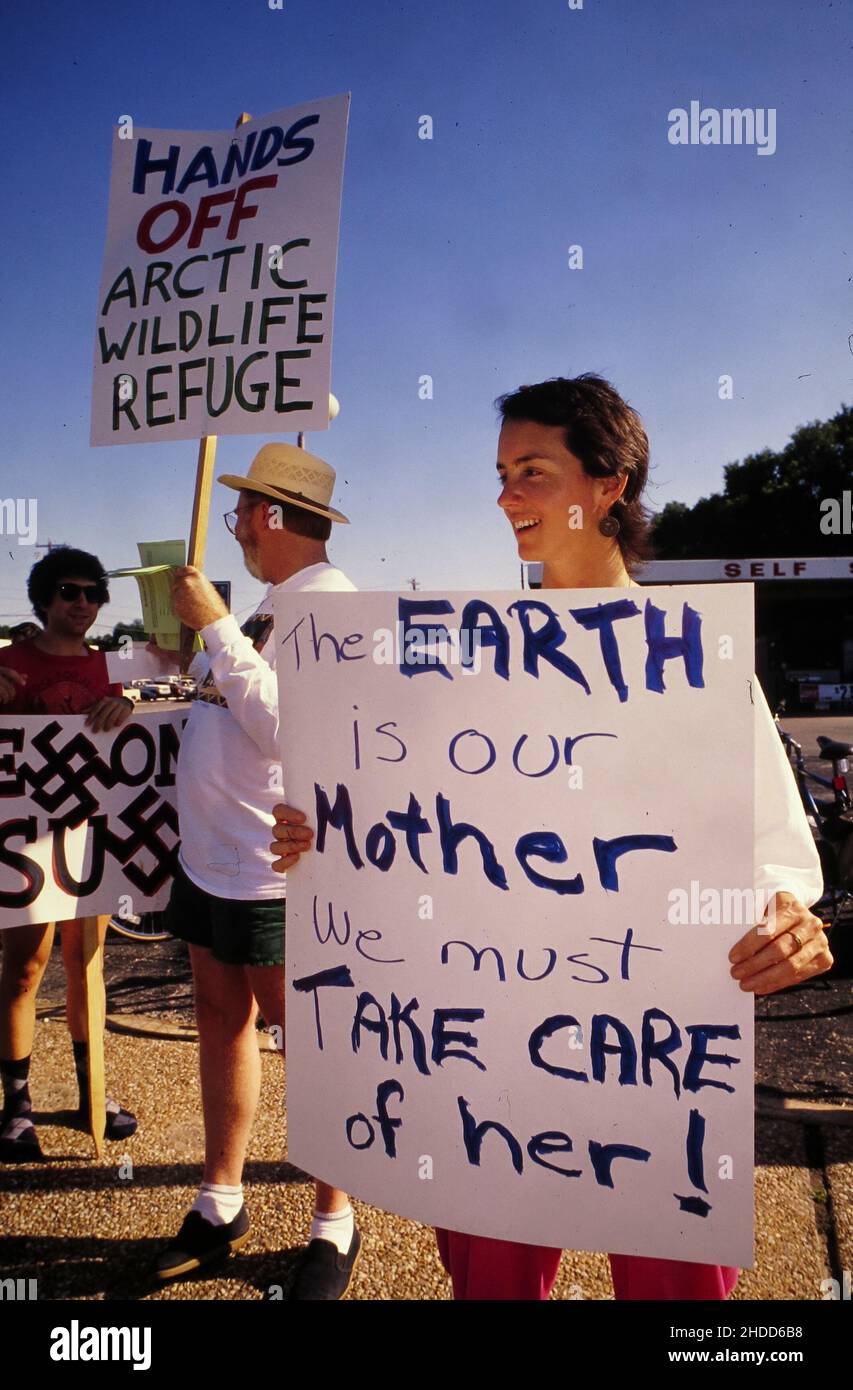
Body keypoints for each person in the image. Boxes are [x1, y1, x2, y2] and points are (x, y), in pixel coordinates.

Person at [270, 374, 833, 1301]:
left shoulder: (690, 657)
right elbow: (409, 828)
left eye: (533, 470)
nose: (505, 496)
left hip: (653, 1068)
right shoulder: (464, 665)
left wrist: (789, 921)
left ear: (609, 486)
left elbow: (775, 855)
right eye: (500, 472)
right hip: (490, 1071)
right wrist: (324, 833)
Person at [152, 442, 362, 1300]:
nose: (235, 524)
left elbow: (292, 731)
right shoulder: (273, 606)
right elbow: (225, 703)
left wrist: (211, 624)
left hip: (275, 874)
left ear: (271, 516)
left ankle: (335, 1216)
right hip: (212, 858)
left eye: (242, 511)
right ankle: (221, 1196)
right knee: (218, 1016)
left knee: (308, 1042)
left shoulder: (333, 606)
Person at [0, 547, 137, 1161]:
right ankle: (17, 1105)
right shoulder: (9, 662)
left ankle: (94, 1089)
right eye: (69, 591)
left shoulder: (108, 667)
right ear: (44, 597)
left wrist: (128, 705)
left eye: (94, 593)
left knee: (87, 966)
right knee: (27, 968)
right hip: (25, 836)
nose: (82, 603)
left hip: (89, 835)